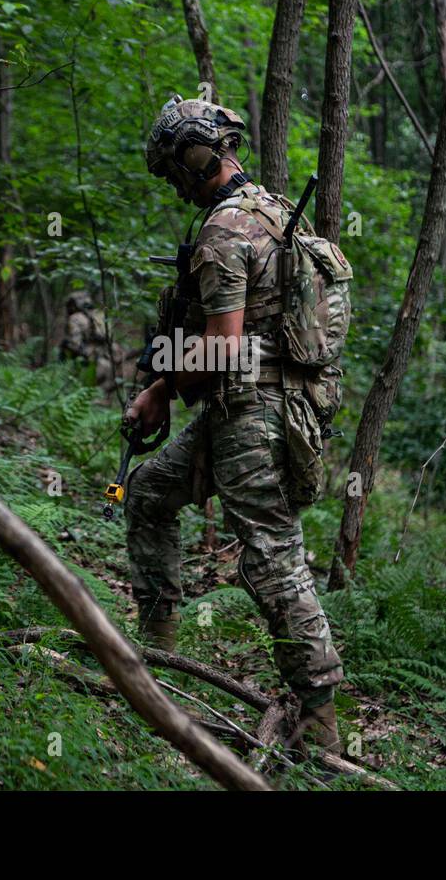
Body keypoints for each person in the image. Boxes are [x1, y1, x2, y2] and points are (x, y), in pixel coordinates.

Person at [122, 95, 345, 753]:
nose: (173, 185)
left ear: (194, 160)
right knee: (149, 494)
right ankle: (155, 663)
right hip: (251, 410)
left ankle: (319, 730)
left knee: (272, 556)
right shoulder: (272, 213)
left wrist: (161, 390)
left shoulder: (226, 231)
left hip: (254, 417)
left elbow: (222, 347)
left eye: (172, 172)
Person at [60, 290, 120, 395]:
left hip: (89, 365)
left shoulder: (75, 318)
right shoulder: (101, 315)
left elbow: (75, 344)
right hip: (108, 364)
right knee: (99, 398)